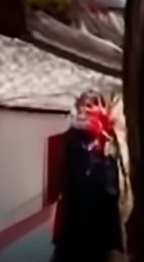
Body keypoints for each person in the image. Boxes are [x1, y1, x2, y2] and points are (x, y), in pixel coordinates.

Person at [52, 90, 124, 262]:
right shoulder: (73, 142)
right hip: (75, 233)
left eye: (94, 107)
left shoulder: (109, 144)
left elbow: (113, 188)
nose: (89, 114)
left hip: (99, 235)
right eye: (86, 108)